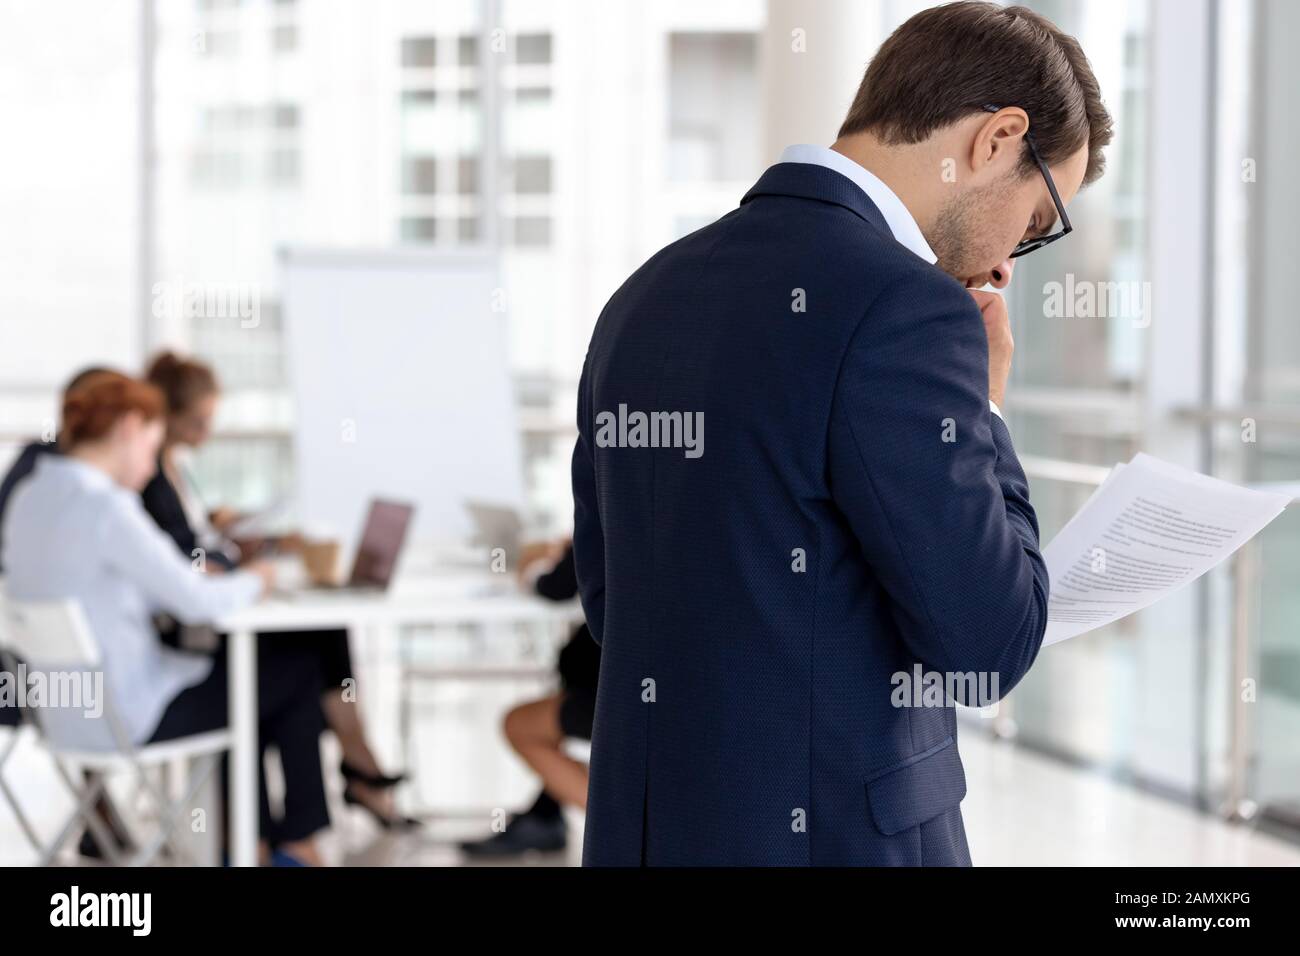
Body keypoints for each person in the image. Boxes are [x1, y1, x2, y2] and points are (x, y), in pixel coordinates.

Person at [571, 2, 1112, 865]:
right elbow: (988, 646)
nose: (1012, 261)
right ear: (999, 138)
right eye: (1038, 221)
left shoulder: (644, 297)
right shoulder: (910, 309)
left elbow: (612, 601)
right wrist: (990, 410)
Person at [1, 372, 330, 865]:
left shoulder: (31, 498)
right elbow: (195, 600)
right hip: (126, 717)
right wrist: (256, 579)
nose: (151, 467)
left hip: (58, 715)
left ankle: (250, 843)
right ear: (131, 427)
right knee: (294, 668)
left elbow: (105, 589)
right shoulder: (108, 506)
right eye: (153, 448)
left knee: (251, 680)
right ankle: (295, 845)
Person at [140, 351, 415, 829]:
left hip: (207, 611)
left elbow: (196, 547)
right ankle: (340, 782)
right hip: (193, 632)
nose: (207, 433)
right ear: (170, 416)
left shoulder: (173, 471)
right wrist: (248, 551)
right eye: (200, 421)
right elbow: (189, 563)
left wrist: (234, 534)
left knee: (324, 629)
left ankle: (341, 778)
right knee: (303, 664)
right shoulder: (150, 481)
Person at [460, 540, 600, 857]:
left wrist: (530, 568)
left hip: (622, 692)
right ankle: (546, 813)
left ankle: (627, 830)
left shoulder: (616, 501)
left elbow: (554, 587)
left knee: (518, 725)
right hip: (692, 682)